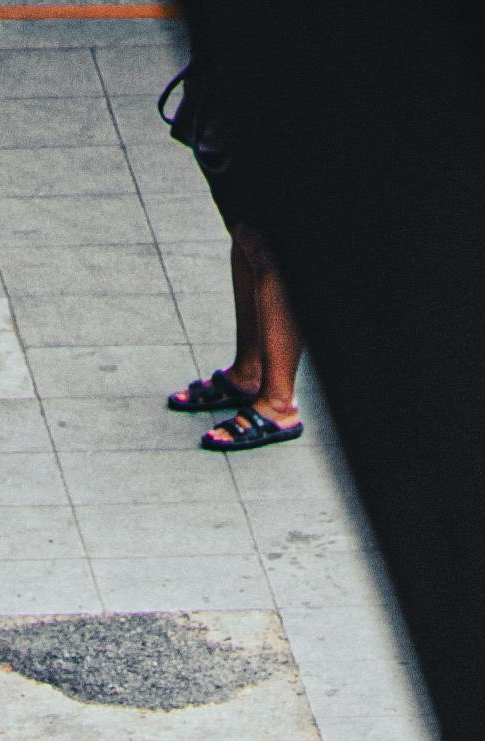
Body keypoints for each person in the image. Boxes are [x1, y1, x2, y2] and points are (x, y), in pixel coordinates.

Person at [160, 6, 304, 453]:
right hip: (231, 68)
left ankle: (278, 402)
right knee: (245, 233)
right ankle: (251, 372)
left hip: (276, 79)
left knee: (269, 240)